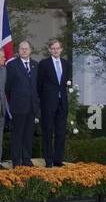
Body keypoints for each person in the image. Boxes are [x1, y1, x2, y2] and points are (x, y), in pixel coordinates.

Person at [36, 39, 71, 167]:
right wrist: (42, 100)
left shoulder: (66, 64)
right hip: (48, 103)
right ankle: (48, 160)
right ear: (50, 50)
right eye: (53, 48)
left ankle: (58, 159)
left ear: (61, 49)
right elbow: (39, 85)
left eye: (58, 48)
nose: (56, 50)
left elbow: (65, 82)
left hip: (62, 103)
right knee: (47, 132)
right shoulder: (44, 64)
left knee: (61, 132)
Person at [5, 40, 37, 167]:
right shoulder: (12, 65)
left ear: (30, 50)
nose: (24, 50)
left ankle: (27, 159)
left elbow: (37, 86)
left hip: (32, 106)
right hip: (18, 106)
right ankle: (16, 161)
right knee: (17, 135)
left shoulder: (35, 65)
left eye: (26, 48)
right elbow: (7, 87)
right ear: (18, 51)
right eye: (22, 48)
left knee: (28, 134)